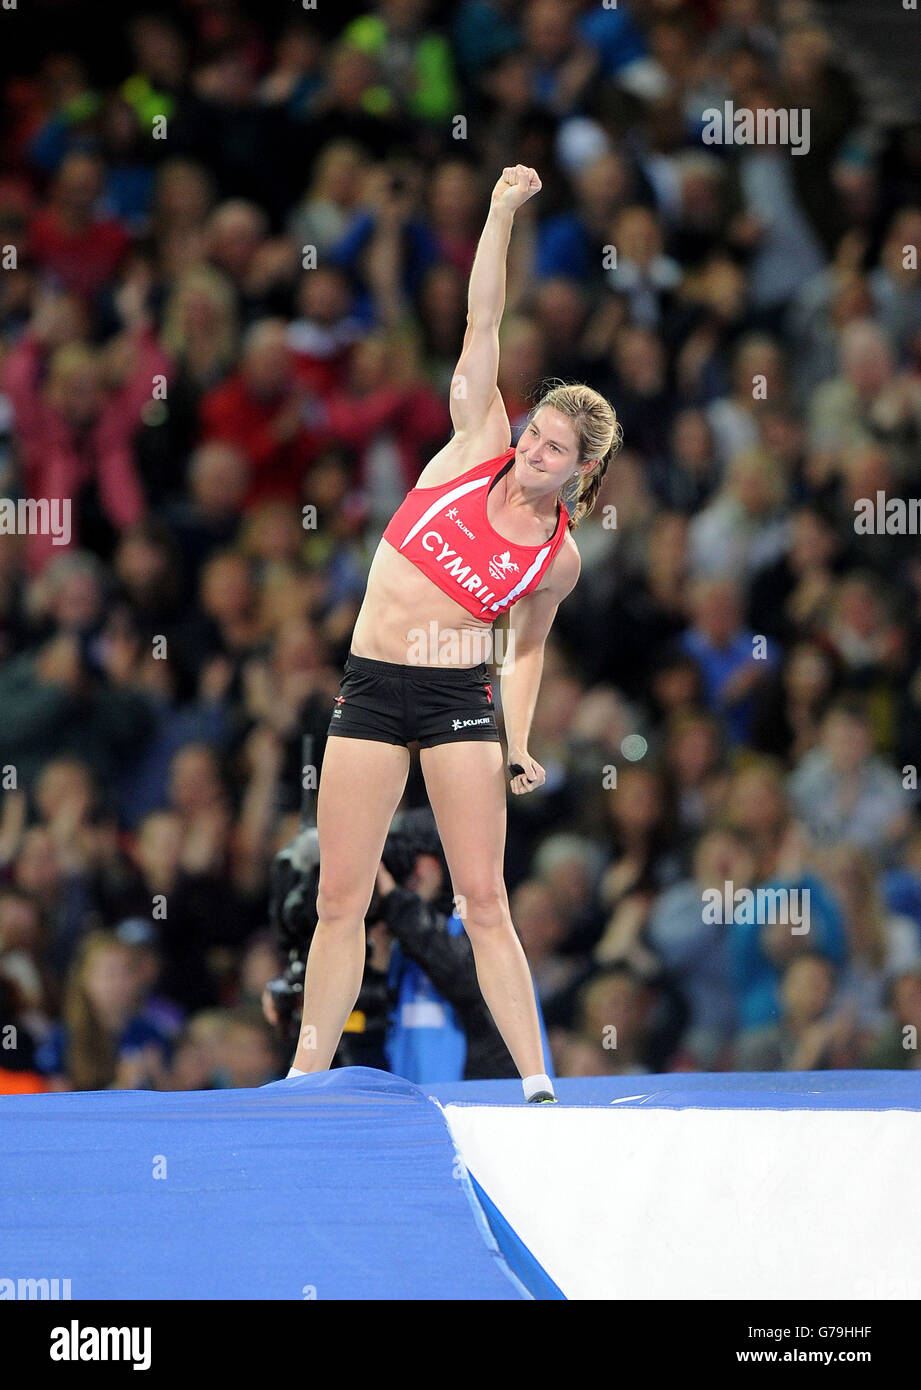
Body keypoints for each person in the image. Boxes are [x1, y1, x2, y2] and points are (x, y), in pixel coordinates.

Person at [287, 164, 622, 1102]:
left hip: (455, 700)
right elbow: (482, 319)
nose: (533, 450)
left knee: (483, 899)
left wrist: (518, 742)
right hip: (371, 682)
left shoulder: (555, 560)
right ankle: (305, 1076)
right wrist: (500, 213)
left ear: (580, 475)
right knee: (339, 896)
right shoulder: (476, 443)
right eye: (537, 432)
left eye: (555, 450)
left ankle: (536, 1085)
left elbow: (525, 649)